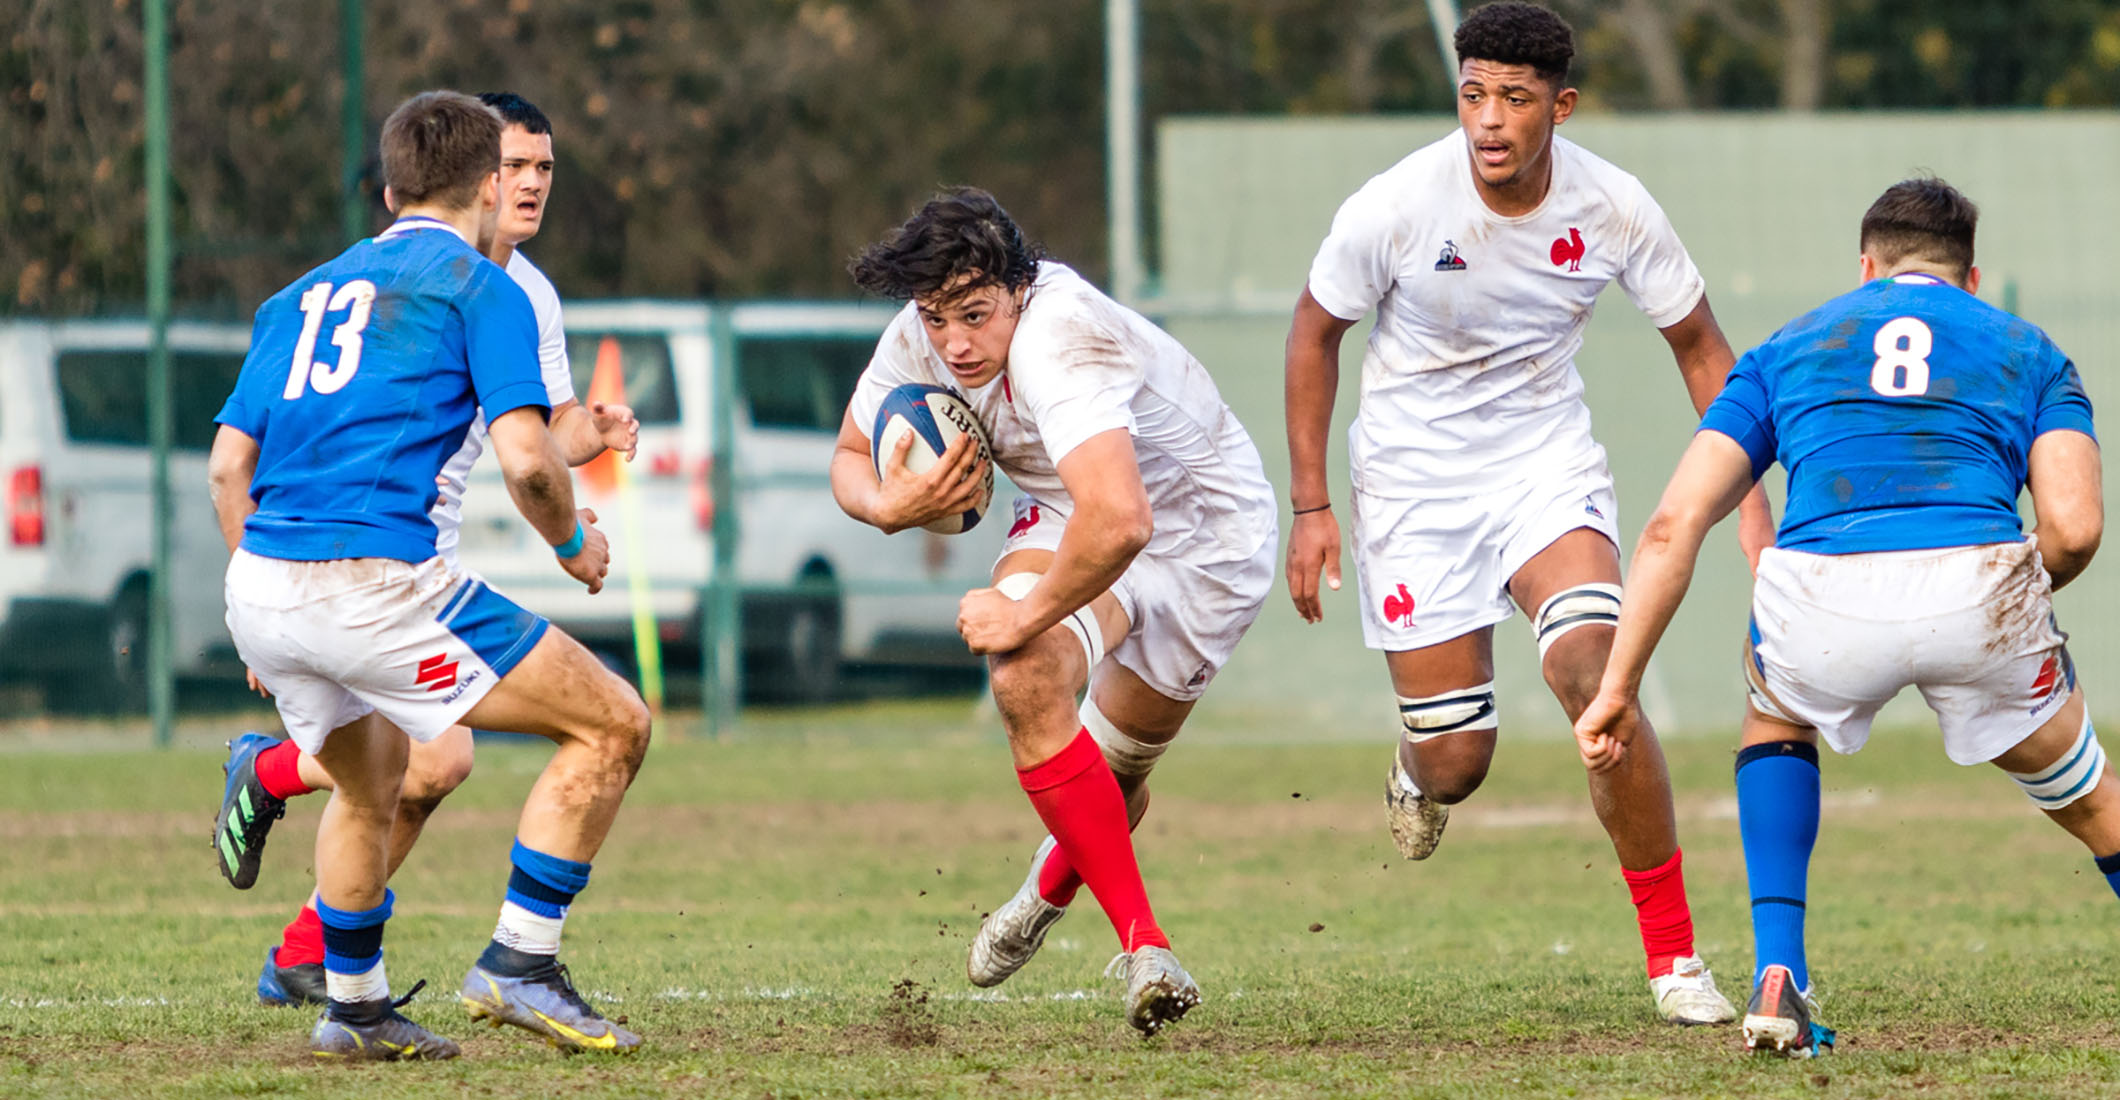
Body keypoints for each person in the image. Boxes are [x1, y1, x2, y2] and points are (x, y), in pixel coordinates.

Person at [1281, 0, 1769, 1025]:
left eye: (1513, 98)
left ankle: (1674, 956)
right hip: (1411, 487)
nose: (1489, 121)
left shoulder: (1613, 206)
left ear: (1561, 104)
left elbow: (1698, 344)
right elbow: (1312, 332)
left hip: (1541, 466)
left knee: (1595, 669)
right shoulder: (1399, 203)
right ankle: (1414, 772)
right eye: (1472, 96)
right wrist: (1312, 503)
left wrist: (1747, 491)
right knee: (1459, 761)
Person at [1576, 177, 2106, 1058]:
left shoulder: (1791, 348)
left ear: (1866, 269)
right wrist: (2004, 596)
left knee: (1775, 714)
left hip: (1823, 595)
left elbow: (1675, 524)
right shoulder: (2030, 350)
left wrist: (1618, 687)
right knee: (2092, 801)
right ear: (1971, 279)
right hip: (1978, 584)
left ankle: (1778, 972)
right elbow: (2076, 529)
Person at [206, 90, 651, 1060]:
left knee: (376, 783)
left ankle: (353, 1007)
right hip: (376, 581)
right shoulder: (481, 287)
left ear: (388, 188)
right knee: (612, 719)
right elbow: (530, 462)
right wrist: (572, 543)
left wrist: (257, 610)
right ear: (488, 186)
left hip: (262, 579)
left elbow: (226, 467)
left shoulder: (298, 296)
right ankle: (520, 962)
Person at [830, 188, 1278, 1035]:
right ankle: (1148, 947)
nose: (955, 344)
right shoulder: (921, 337)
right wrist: (889, 508)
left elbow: (1126, 519)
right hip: (1074, 513)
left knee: (1117, 779)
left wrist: (1025, 607)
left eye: (975, 314)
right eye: (935, 318)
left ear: (1019, 287)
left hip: (1208, 541)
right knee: (1024, 674)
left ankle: (1042, 890)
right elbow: (851, 455)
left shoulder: (1057, 341)